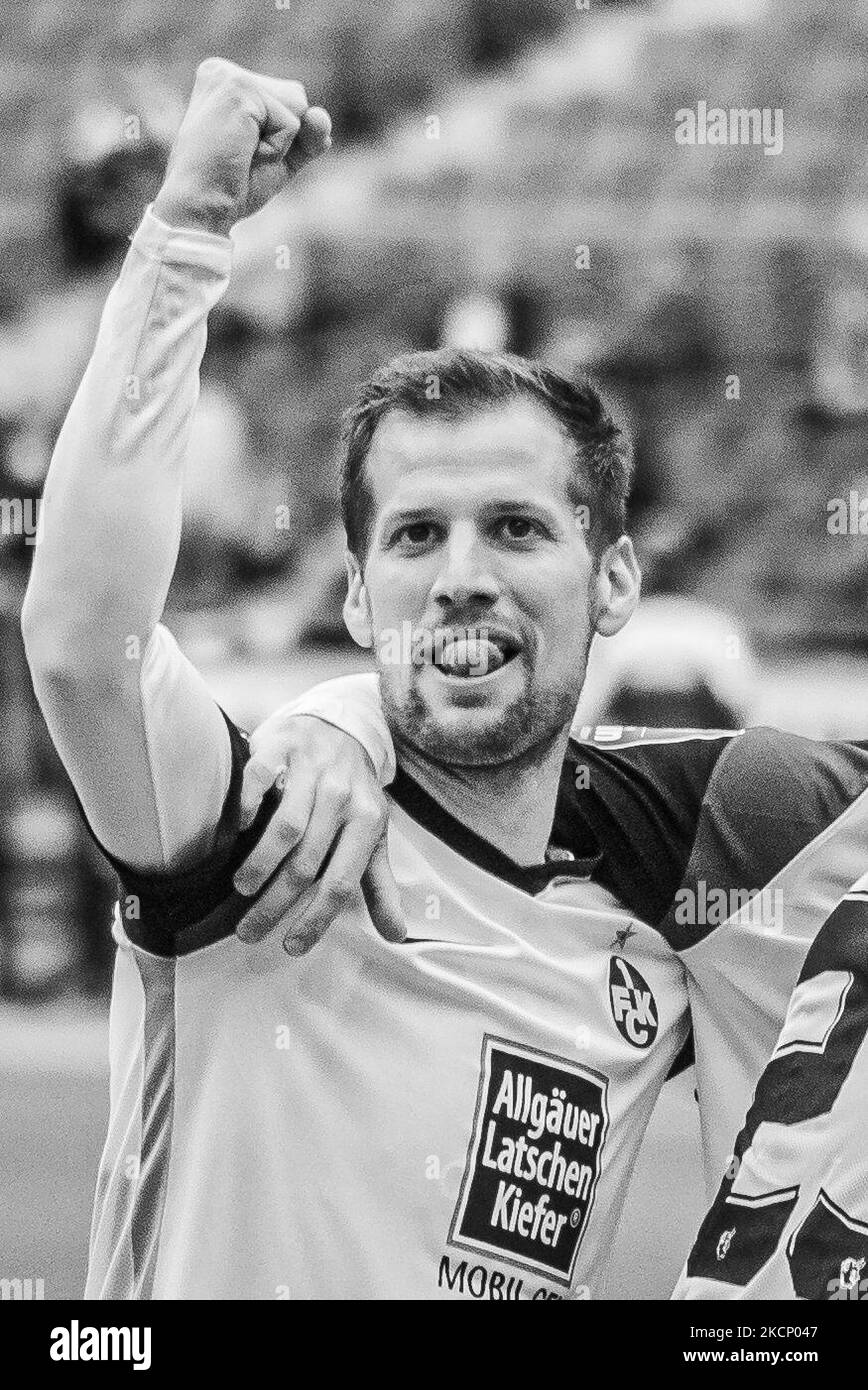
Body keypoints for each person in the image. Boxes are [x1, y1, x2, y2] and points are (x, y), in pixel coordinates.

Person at [23, 58, 868, 1301]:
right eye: (416, 536)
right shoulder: (259, 834)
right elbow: (86, 641)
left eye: (518, 530)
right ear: (356, 595)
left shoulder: (669, 885)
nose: (463, 577)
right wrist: (186, 235)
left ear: (615, 582)